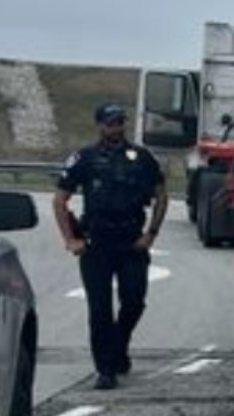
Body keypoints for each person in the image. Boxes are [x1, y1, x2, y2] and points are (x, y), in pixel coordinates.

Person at [55, 102, 168, 390]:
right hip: (97, 244)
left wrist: (151, 234)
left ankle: (119, 344)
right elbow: (60, 199)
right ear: (100, 125)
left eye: (120, 122)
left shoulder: (142, 157)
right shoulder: (85, 158)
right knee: (100, 309)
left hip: (132, 241)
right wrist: (71, 239)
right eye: (111, 123)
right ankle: (105, 368)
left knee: (134, 302)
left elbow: (161, 195)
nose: (117, 128)